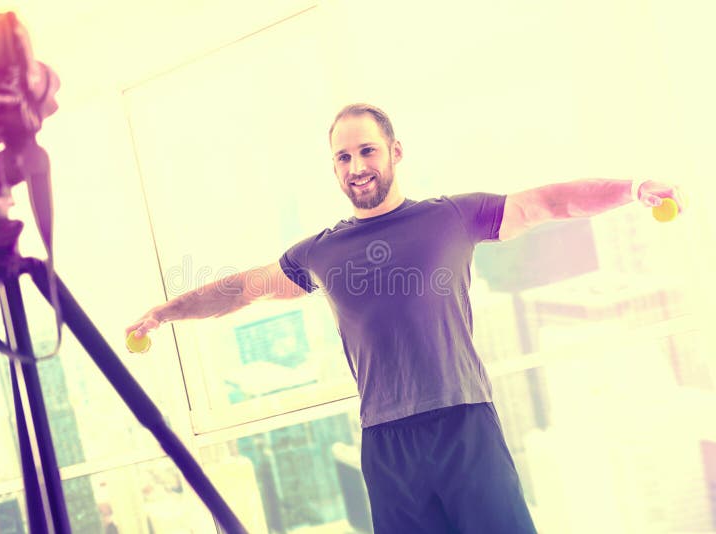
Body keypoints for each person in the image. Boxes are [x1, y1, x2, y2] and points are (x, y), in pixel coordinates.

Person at [125, 103, 686, 533]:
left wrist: (633, 190)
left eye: (366, 151)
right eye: (343, 158)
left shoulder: (453, 217)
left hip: (464, 424)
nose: (356, 166)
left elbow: (549, 203)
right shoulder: (320, 252)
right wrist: (165, 312)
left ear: (394, 151)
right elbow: (242, 289)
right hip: (386, 445)